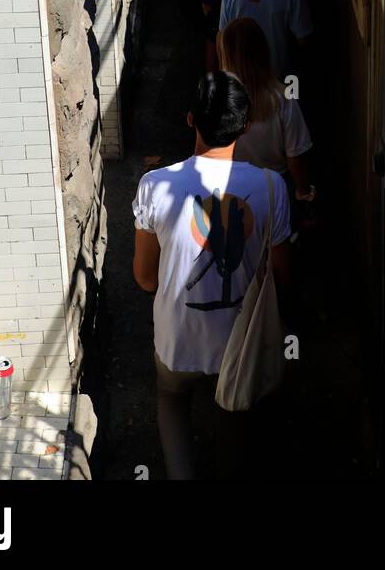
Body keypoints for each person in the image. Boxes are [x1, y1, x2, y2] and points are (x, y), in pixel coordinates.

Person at [132, 72, 291, 480]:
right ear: (246, 125)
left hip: (177, 340)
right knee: (235, 414)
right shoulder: (272, 187)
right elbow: (281, 275)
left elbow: (145, 278)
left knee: (171, 398)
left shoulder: (155, 185)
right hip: (241, 344)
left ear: (190, 120)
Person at [218, 17, 314, 201]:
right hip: (274, 188)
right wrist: (304, 191)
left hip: (231, 188)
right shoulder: (283, 97)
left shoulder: (217, 97)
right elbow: (295, 157)